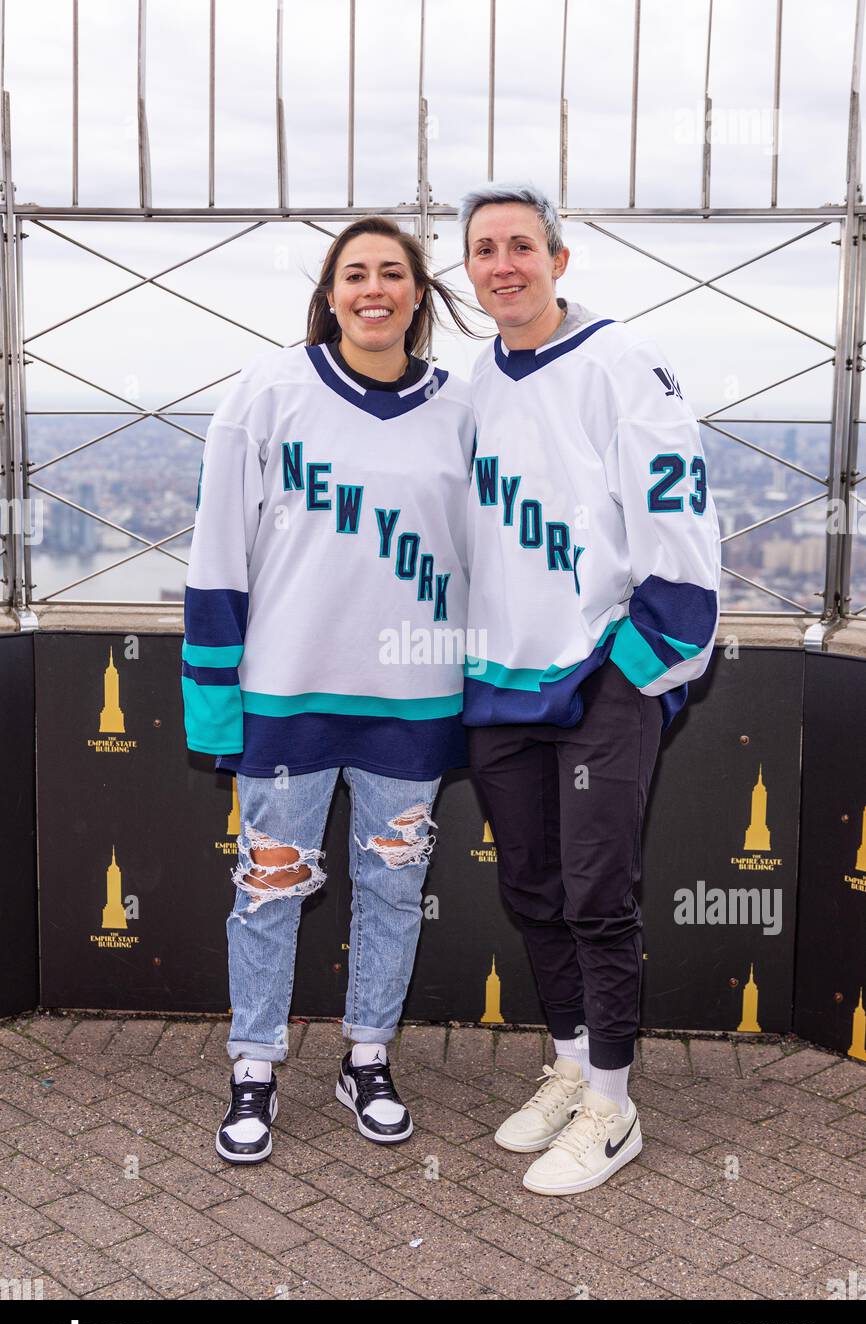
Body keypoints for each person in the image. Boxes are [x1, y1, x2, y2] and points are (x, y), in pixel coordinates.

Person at [181, 216, 477, 1162]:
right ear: (330, 290)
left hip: (416, 698)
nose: (374, 289)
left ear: (420, 295)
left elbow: (496, 559)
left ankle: (368, 1056)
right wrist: (213, 696)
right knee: (268, 890)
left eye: (394, 272)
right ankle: (255, 1066)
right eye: (356, 273)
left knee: (393, 892)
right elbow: (218, 549)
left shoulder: (464, 407)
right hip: (287, 691)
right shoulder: (266, 391)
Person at [459, 182, 721, 1195]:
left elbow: (678, 523)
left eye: (520, 245)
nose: (502, 265)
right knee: (529, 889)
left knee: (596, 894)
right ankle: (569, 1062)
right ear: (469, 271)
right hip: (497, 680)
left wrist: (642, 666)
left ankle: (613, 1104)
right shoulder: (471, 380)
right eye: (483, 250)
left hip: (602, 672)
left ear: (557, 260)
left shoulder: (624, 365)